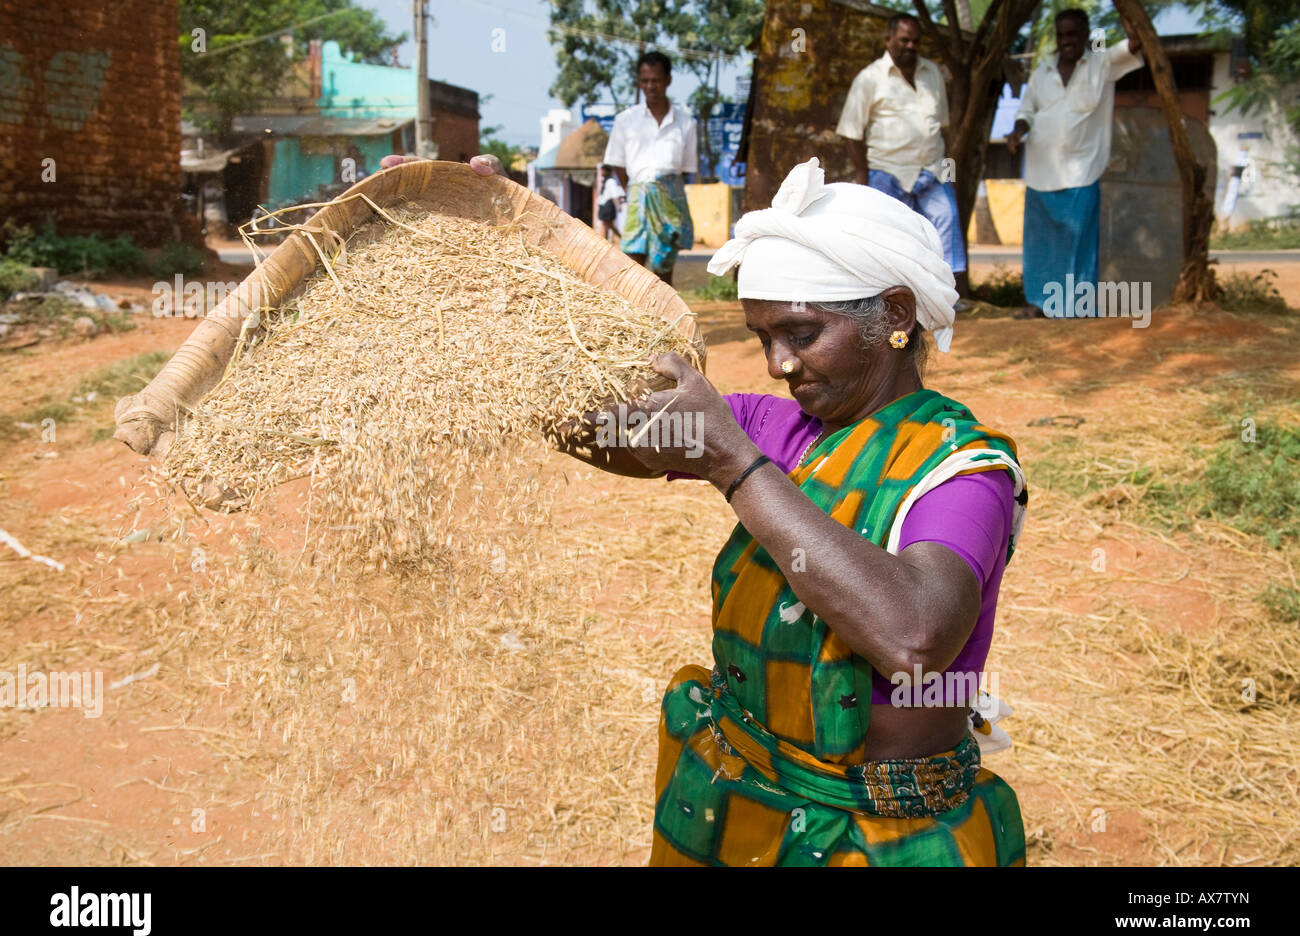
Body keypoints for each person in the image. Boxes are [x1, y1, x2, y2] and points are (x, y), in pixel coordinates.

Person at [382, 152, 1029, 866]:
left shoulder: (960, 469)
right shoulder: (778, 425)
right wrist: (494, 263)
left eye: (802, 334)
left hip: (878, 834)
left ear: (896, 316)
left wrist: (733, 463)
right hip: (746, 800)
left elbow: (914, 637)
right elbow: (605, 430)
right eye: (763, 339)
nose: (778, 365)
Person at [1007, 8, 1143, 318]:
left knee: (1079, 243)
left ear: (1085, 35)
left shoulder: (1103, 64)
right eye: (1062, 35)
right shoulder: (1041, 72)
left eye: (1073, 34)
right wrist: (1018, 132)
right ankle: (1040, 305)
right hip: (1041, 170)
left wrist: (1123, 6)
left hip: (1082, 170)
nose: (1067, 41)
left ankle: (1077, 307)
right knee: (1041, 246)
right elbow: (1026, 112)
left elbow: (1136, 41)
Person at [836, 13, 967, 294]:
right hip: (887, 171)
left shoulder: (932, 73)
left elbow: (942, 128)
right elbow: (850, 132)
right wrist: (863, 175)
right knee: (889, 237)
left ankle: (944, 297)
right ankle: (890, 299)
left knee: (946, 221)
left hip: (931, 169)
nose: (910, 46)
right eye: (904, 40)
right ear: (889, 40)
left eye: (915, 42)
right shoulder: (869, 78)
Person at [602, 51, 698, 285]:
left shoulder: (686, 123)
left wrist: (661, 192)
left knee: (663, 270)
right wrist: (638, 192)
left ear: (668, 80)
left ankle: (665, 320)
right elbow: (619, 165)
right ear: (639, 82)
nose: (650, 86)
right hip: (637, 198)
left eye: (655, 80)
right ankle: (631, 320)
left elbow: (685, 170)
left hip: (669, 201)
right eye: (645, 81)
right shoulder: (625, 120)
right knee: (632, 265)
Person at [596, 165, 625, 243]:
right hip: (603, 205)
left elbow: (614, 195)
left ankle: (604, 241)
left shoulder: (610, 181)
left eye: (603, 170)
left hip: (608, 205)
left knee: (606, 225)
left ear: (608, 171)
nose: (601, 172)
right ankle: (619, 239)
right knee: (608, 225)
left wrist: (618, 205)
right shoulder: (604, 181)